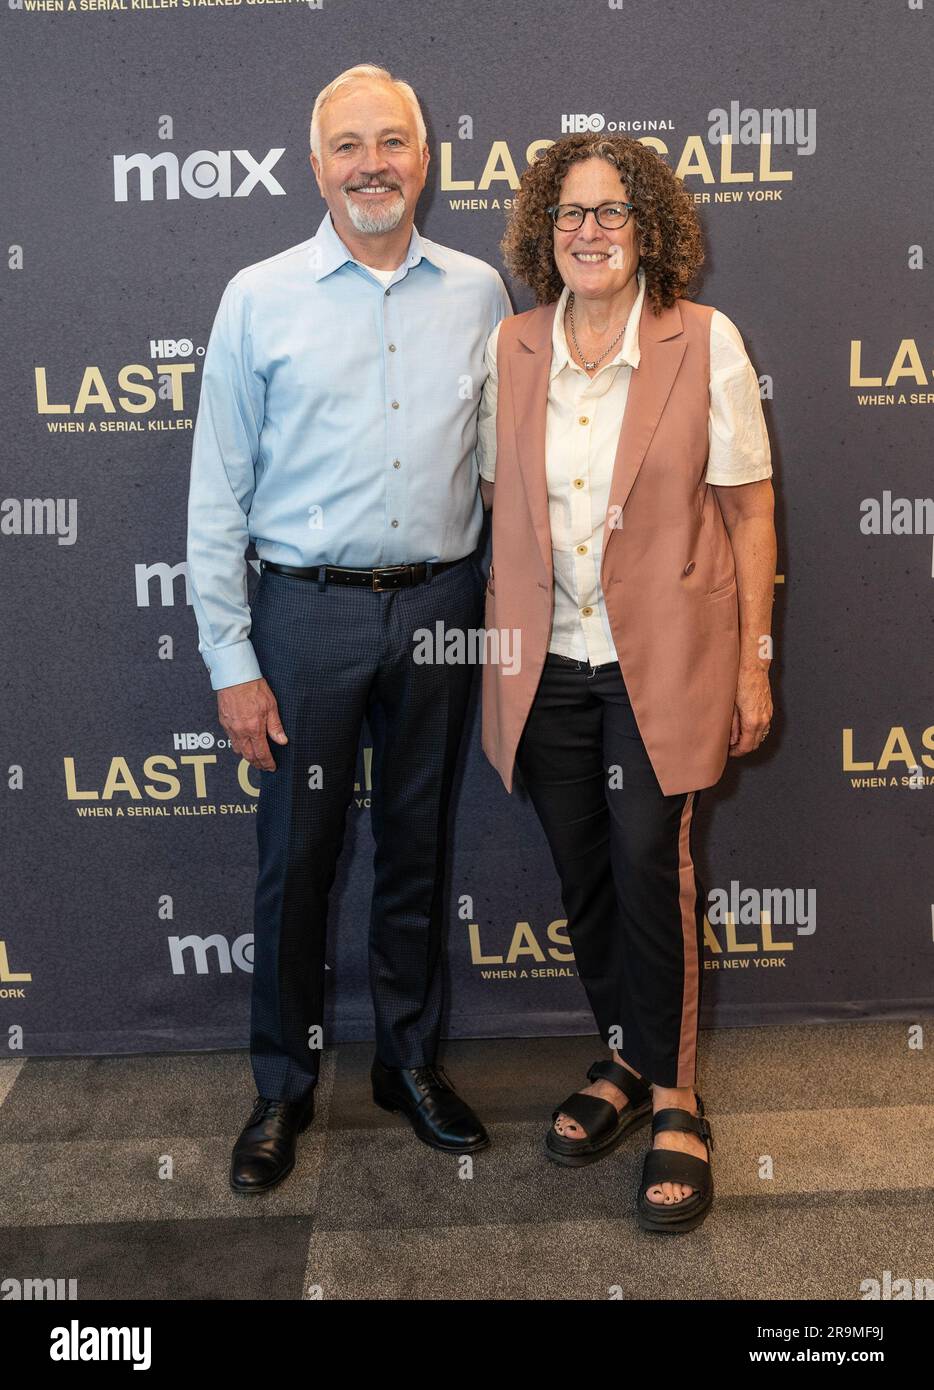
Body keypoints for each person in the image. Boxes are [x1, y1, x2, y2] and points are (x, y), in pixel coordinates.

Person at [186, 63, 512, 1193]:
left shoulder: (479, 291)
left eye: (392, 143)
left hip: (439, 606)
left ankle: (409, 1064)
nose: (372, 164)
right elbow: (216, 497)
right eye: (348, 146)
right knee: (299, 862)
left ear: (426, 159)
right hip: (304, 616)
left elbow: (498, 465)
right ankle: (281, 1085)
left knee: (417, 849)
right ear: (314, 164)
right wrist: (234, 659)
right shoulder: (257, 296)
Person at [477, 133, 776, 1233]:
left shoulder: (702, 340)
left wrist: (752, 658)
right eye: (569, 213)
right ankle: (623, 1054)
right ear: (541, 232)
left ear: (648, 228)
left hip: (666, 663)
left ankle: (675, 1097)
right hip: (548, 663)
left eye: (610, 211)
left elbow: (747, 508)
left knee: (651, 863)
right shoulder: (512, 346)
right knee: (584, 874)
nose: (588, 230)